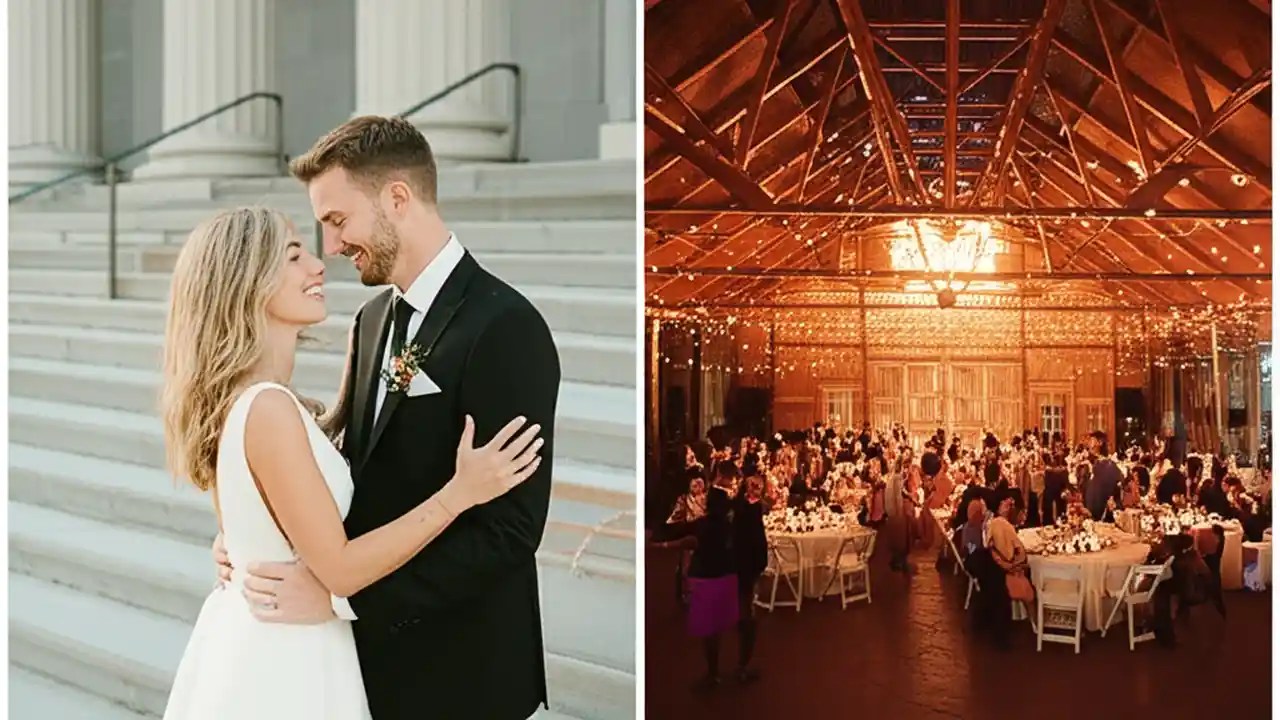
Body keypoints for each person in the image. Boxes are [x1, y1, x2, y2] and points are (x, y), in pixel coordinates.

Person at [210, 117, 561, 719]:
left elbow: (509, 533)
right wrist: (258, 532)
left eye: (338, 220)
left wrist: (345, 601)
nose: (332, 247)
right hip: (375, 669)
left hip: (464, 674)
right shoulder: (371, 320)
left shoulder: (506, 327)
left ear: (397, 198)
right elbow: (354, 473)